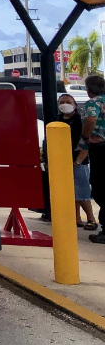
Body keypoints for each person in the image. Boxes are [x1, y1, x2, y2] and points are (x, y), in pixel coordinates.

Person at [56, 93, 96, 231]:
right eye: (62, 102)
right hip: (62, 160)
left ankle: (91, 219)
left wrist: (78, 160)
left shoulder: (80, 120)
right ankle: (76, 218)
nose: (65, 104)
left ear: (74, 105)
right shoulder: (58, 119)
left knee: (82, 192)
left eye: (68, 101)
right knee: (71, 193)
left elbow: (85, 141)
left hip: (79, 160)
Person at [82, 75, 105, 243]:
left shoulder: (94, 103)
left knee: (100, 189)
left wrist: (85, 135)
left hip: (100, 148)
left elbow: (91, 119)